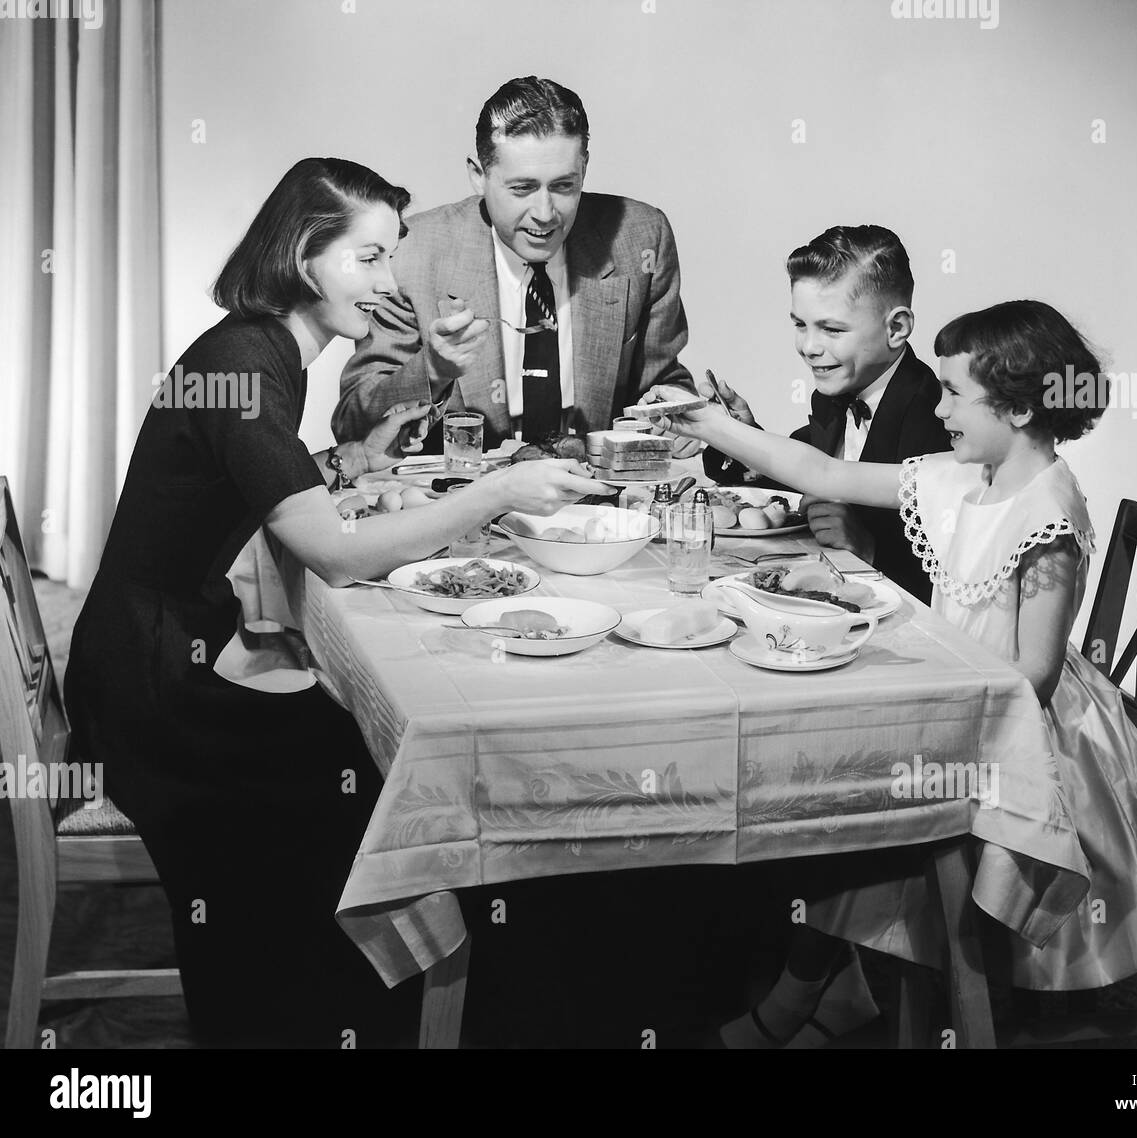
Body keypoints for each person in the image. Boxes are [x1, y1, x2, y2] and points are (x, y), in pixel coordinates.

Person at [63, 158, 609, 1048]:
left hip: (147, 650)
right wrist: (492, 496)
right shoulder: (245, 364)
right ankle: (363, 1009)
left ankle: (392, 998)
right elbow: (336, 555)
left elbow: (268, 478)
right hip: (154, 690)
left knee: (360, 746)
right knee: (365, 770)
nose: (391, 282)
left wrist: (369, 450)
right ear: (302, 257)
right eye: (368, 258)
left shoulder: (253, 350)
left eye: (392, 257)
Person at [647, 300, 1137, 1047]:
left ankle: (813, 992)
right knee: (840, 769)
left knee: (858, 784)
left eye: (953, 394)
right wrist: (711, 424)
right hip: (966, 700)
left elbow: (1031, 675)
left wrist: (924, 681)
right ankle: (825, 990)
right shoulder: (960, 477)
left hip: (1026, 738)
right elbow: (824, 470)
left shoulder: (1047, 512)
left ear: (1018, 405)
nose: (937, 409)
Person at [330, 76, 694, 452]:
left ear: (584, 168)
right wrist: (434, 370)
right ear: (478, 175)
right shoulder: (411, 252)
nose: (545, 214)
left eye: (564, 186)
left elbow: (662, 382)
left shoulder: (640, 237)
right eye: (522, 189)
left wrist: (678, 416)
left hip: (597, 499)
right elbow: (353, 425)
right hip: (463, 500)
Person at [694, 225, 950, 601]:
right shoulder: (834, 395)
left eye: (831, 329)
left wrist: (871, 550)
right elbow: (802, 477)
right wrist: (743, 434)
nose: (809, 347)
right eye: (800, 324)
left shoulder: (938, 419)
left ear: (896, 327)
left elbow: (957, 578)